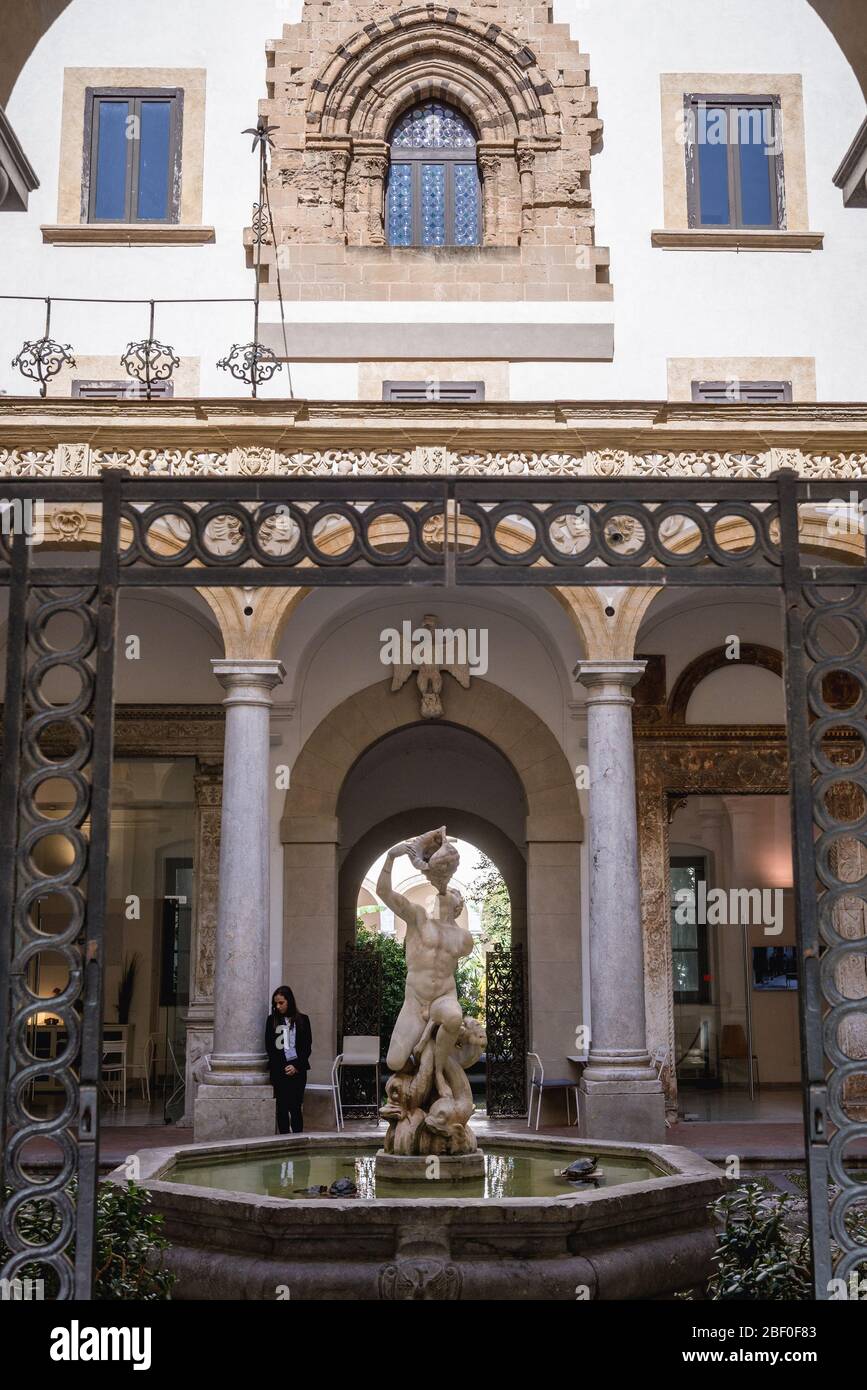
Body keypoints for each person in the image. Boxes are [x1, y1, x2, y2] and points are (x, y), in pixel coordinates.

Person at [265, 985, 312, 1135]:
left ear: (289, 1001)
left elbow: (307, 1047)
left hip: (298, 1071)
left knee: (296, 1107)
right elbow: (270, 1048)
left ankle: (297, 1141)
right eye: (276, 1004)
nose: (278, 1006)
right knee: (282, 1107)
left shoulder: (303, 1020)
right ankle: (284, 1140)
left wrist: (296, 1066)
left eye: (281, 1003)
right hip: (279, 1071)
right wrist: (283, 1067)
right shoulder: (272, 1021)